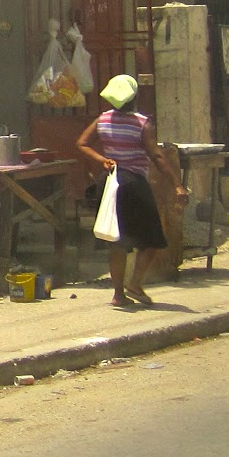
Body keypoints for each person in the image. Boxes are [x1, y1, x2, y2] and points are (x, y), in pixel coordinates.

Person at [75, 74, 186, 307]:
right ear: (133, 97)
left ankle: (118, 295)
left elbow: (82, 143)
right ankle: (135, 283)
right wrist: (177, 184)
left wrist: (102, 159)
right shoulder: (141, 123)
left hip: (108, 182)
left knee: (116, 242)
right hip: (133, 184)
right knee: (153, 239)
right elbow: (156, 155)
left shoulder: (102, 119)